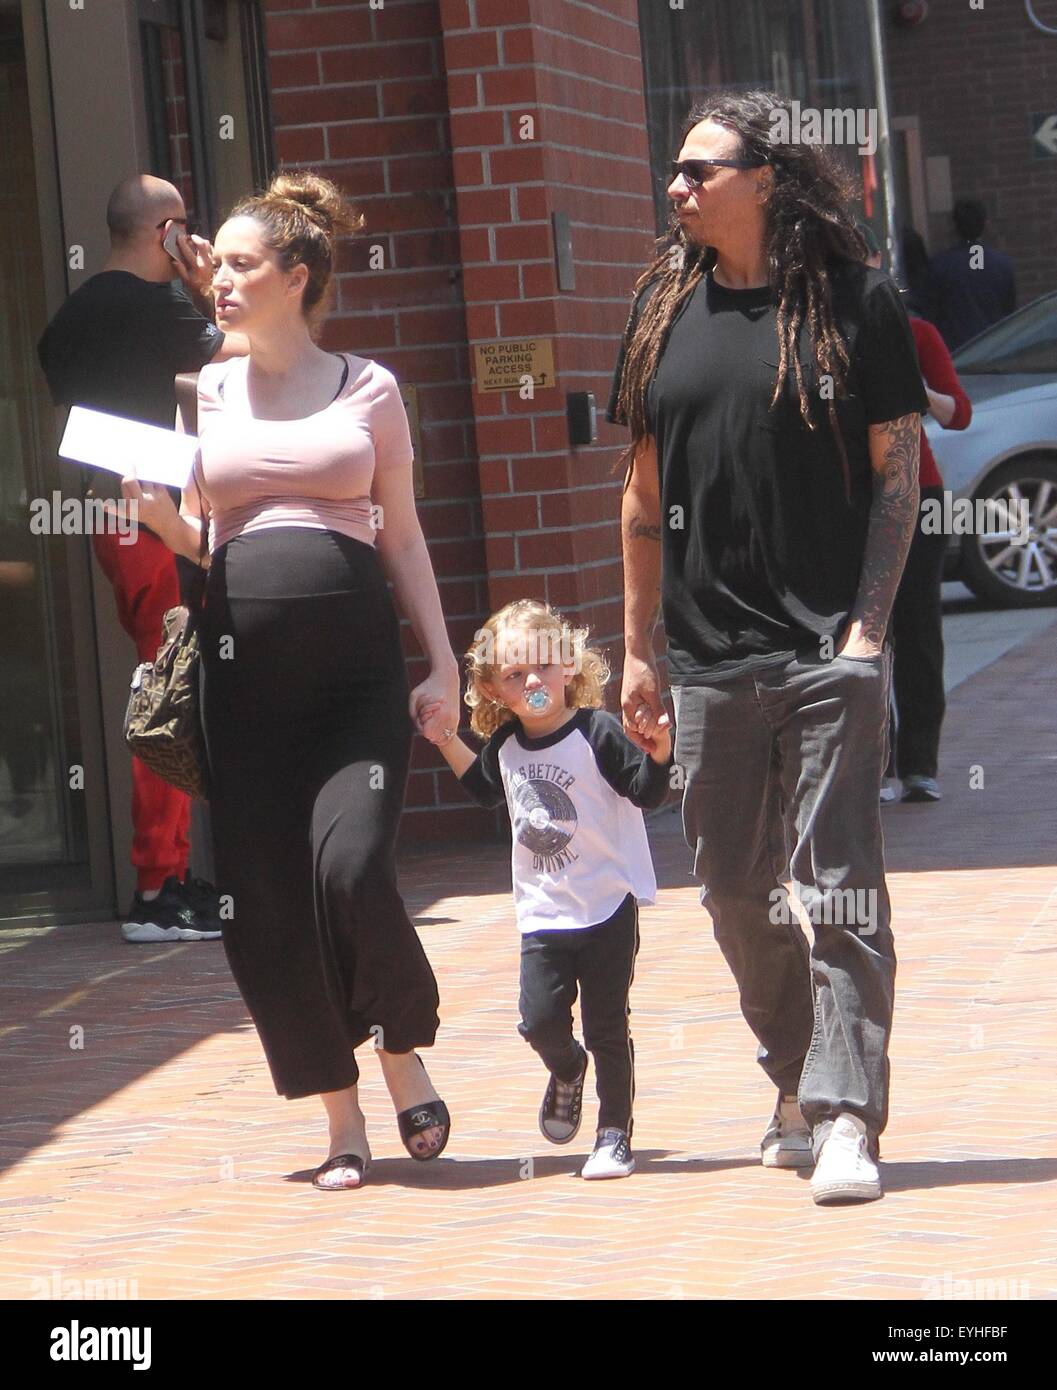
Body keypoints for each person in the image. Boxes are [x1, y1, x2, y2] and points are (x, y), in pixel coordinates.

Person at [609, 90, 929, 1205]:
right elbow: (643, 501)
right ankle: (794, 1076)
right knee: (735, 893)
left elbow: (897, 481)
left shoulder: (853, 304)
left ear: (767, 179)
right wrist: (640, 646)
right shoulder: (660, 307)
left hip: (821, 651)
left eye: (700, 169)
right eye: (676, 170)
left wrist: (863, 635)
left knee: (837, 887)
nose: (678, 187)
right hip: (704, 657)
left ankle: (848, 1115)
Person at [119, 170, 461, 1192]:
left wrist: (441, 658)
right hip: (242, 683)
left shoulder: (369, 389)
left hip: (353, 677)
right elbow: (202, 539)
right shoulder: (204, 393)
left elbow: (401, 535)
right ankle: (341, 1118)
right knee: (265, 903)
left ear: (294, 276)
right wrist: (154, 520)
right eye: (213, 262)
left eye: (237, 263)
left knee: (350, 871)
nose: (215, 279)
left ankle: (400, 1043)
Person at [37, 175, 249, 943]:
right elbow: (256, 349)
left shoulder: (76, 313)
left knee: (167, 674)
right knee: (169, 682)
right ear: (165, 231)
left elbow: (57, 367)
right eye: (185, 229)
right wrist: (205, 284)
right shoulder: (153, 303)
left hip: (109, 506)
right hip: (151, 510)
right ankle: (157, 888)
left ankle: (169, 875)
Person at [423, 600, 672, 1179]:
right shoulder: (507, 749)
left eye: (543, 666)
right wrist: (443, 739)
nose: (532, 681)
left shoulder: (597, 732)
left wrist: (658, 757)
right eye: (514, 675)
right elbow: (484, 787)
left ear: (568, 666)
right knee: (538, 1020)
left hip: (607, 905)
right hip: (543, 914)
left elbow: (645, 791)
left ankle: (614, 1134)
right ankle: (566, 1069)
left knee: (607, 1024)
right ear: (493, 690)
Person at [864, 231, 973, 803]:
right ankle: (877, 761)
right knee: (862, 637)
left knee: (918, 629)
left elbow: (959, 414)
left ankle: (918, 765)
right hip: (849, 500)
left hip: (917, 493)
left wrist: (918, 388)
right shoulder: (822, 334)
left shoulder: (918, 332)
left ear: (880, 265)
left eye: (865, 263)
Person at [923, 199, 1016, 352]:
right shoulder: (1002, 264)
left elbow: (931, 313)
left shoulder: (940, 265)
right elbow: (1009, 313)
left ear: (954, 227)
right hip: (994, 350)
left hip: (955, 351)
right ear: (985, 224)